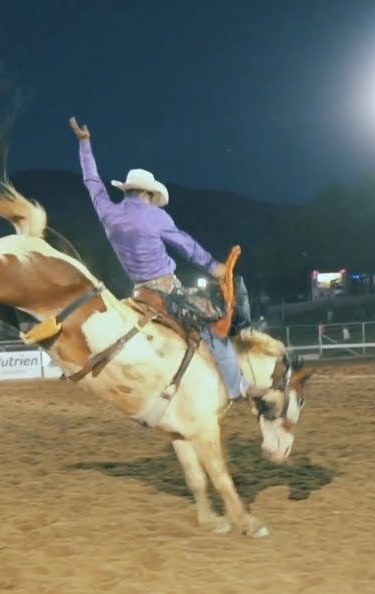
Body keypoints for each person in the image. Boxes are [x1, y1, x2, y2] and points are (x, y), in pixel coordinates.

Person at [69, 116, 250, 400]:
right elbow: (185, 244)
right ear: (147, 193)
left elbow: (91, 181)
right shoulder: (156, 216)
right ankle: (237, 387)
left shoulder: (108, 213)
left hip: (138, 292)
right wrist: (213, 266)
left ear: (128, 190)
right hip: (167, 292)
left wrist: (84, 144)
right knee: (213, 326)